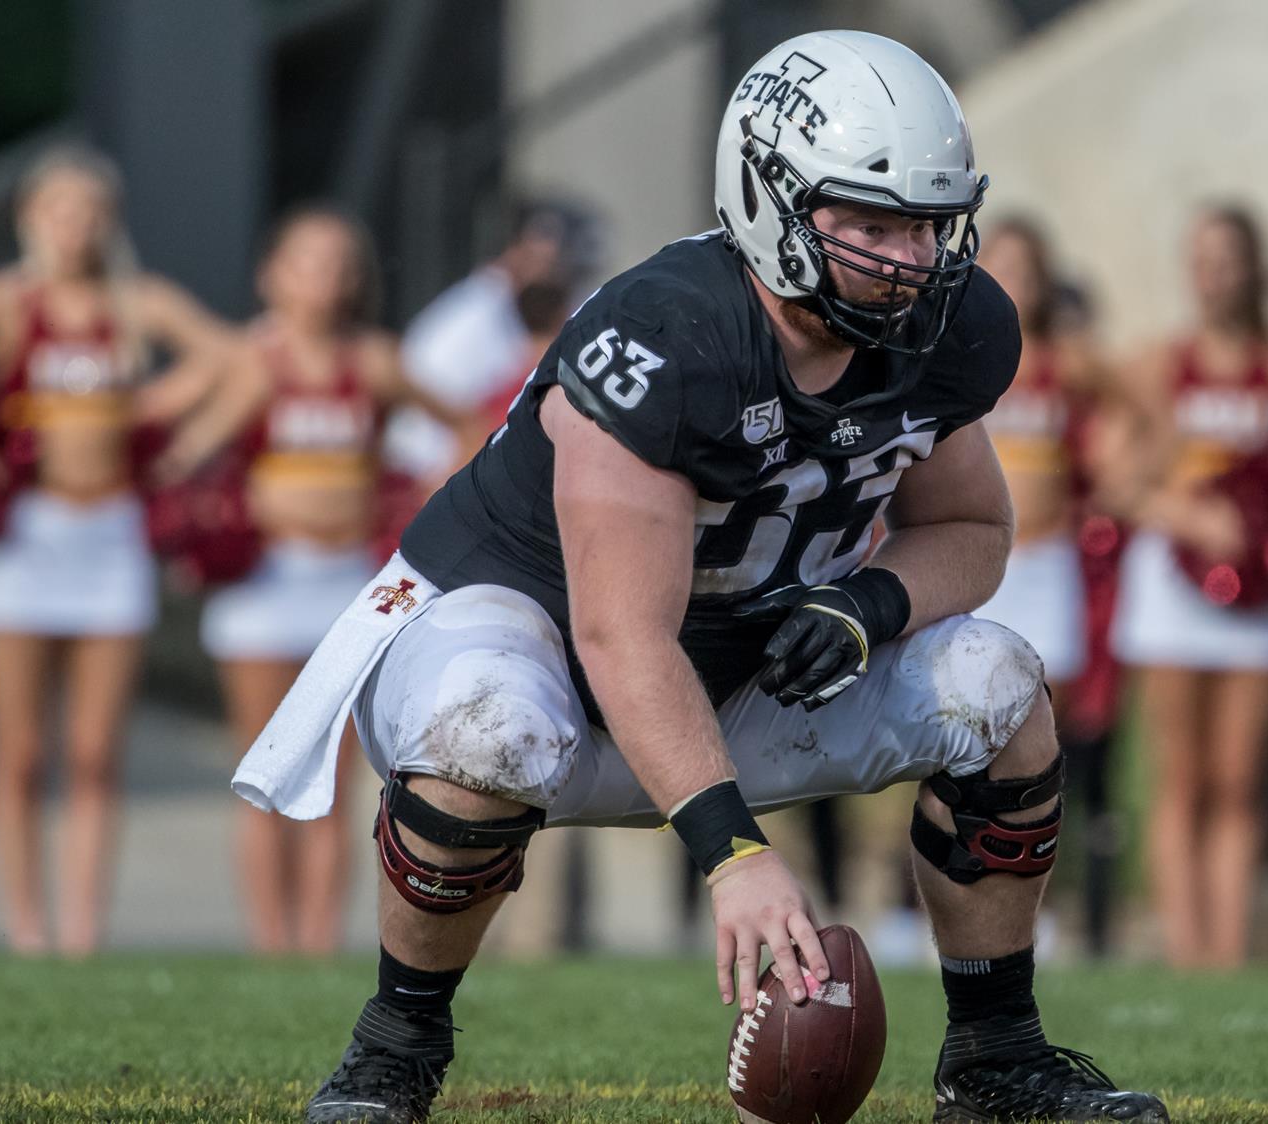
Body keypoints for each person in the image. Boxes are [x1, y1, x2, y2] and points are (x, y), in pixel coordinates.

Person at [232, 31, 1167, 1124]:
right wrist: (732, 855)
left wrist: (871, 600)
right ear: (770, 200)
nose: (908, 255)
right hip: (535, 641)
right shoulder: (668, 333)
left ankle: (996, 1059)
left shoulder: (945, 326)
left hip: (738, 662)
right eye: (868, 220)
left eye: (924, 220)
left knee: (997, 682)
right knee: (483, 728)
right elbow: (621, 634)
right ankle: (391, 1051)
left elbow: (969, 524)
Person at [154, 206, 472, 955]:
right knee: (266, 768)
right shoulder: (251, 359)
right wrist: (230, 497)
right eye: (307, 261)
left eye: (339, 262)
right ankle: (271, 947)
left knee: (337, 780)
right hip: (262, 586)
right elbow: (181, 444)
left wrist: (422, 492)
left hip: (349, 588)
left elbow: (467, 430)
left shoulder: (374, 360)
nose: (324, 278)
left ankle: (320, 946)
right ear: (273, 273)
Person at [0, 146, 233, 956]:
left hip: (110, 540)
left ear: (110, 220)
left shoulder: (137, 304)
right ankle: (25, 927)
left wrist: (164, 421)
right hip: (23, 541)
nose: (76, 226)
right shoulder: (4, 301)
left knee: (97, 750)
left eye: (90, 209)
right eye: (60, 208)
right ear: (31, 218)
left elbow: (232, 359)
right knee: (22, 750)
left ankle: (82, 930)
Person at [1110, 205, 1268, 969]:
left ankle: (1229, 959)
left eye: (1227, 258)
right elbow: (1118, 481)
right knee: (1183, 776)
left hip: (1259, 594)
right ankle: (1187, 954)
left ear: (1251, 265)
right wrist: (1187, 515)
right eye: (1201, 259)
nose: (1214, 274)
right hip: (1173, 583)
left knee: (1240, 777)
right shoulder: (1159, 364)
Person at [974, 217, 1125, 956]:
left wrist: (1112, 476)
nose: (1014, 283)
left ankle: (1049, 903)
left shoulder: (1068, 363)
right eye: (1001, 266)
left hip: (1049, 561)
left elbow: (1142, 410)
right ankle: (965, 892)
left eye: (1026, 270)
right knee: (965, 730)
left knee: (1049, 737)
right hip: (982, 562)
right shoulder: (960, 356)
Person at [384, 198, 593, 488]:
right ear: (515, 249)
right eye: (540, 254)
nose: (553, 269)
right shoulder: (473, 317)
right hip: (434, 476)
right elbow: (445, 430)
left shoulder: (522, 306)